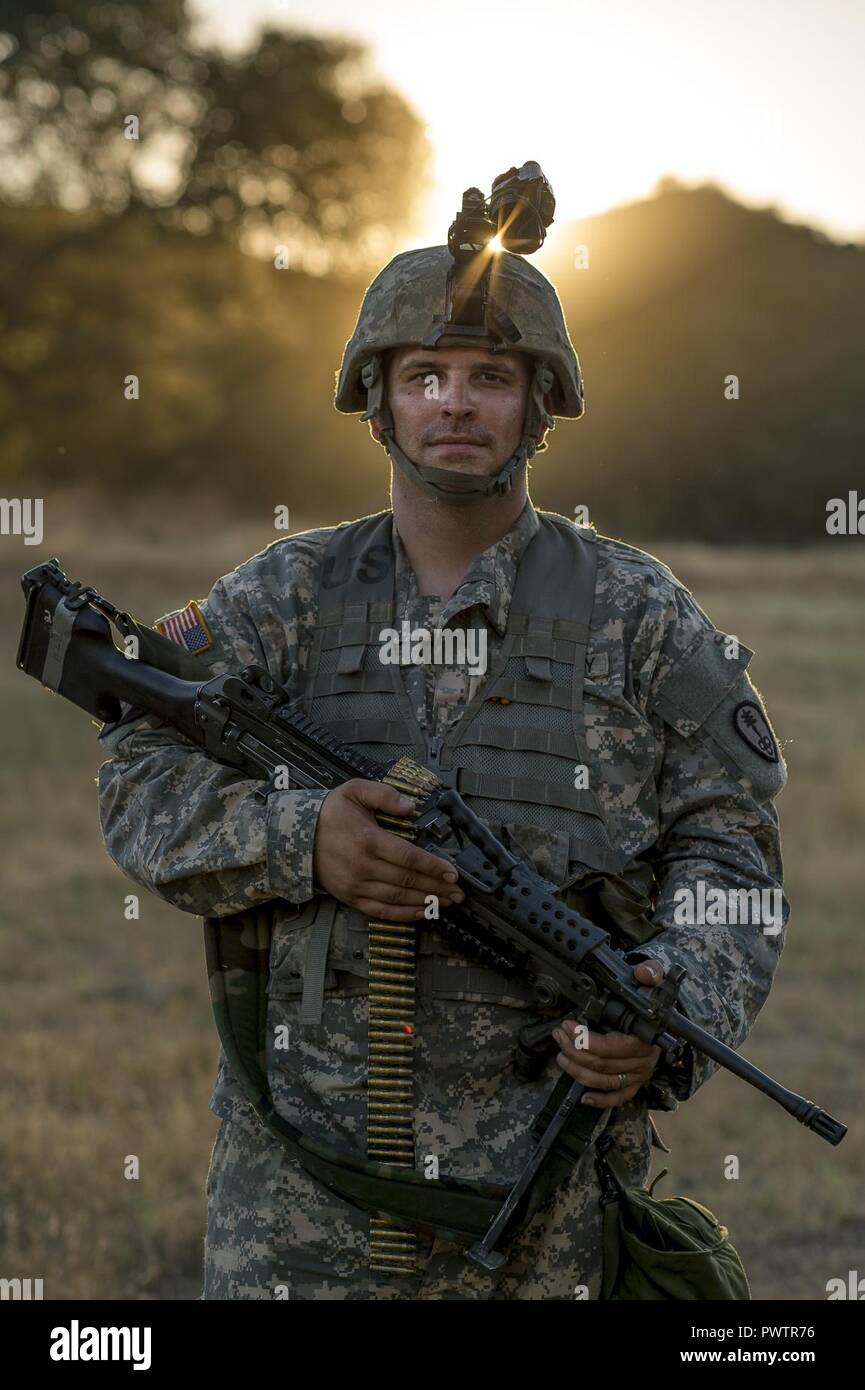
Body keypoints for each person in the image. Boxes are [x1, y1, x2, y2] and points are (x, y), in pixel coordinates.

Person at [97, 241, 788, 1300]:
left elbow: (730, 841)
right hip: (300, 1201)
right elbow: (136, 765)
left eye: (489, 378)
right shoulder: (285, 595)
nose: (454, 405)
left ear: (536, 408)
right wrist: (301, 839)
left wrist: (668, 1007)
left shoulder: (638, 613)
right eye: (424, 376)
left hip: (545, 1205)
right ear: (378, 404)